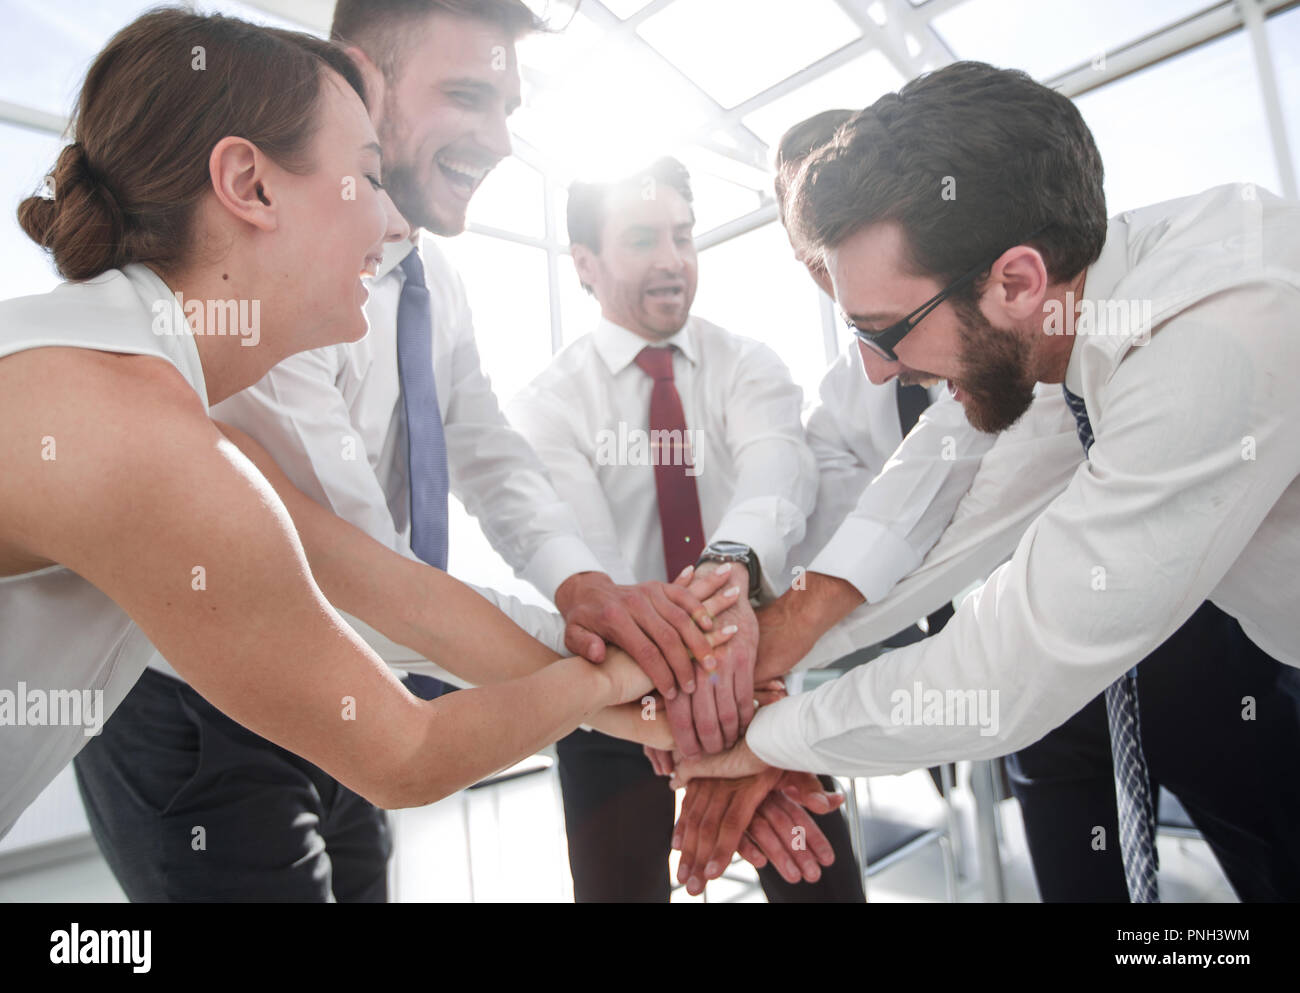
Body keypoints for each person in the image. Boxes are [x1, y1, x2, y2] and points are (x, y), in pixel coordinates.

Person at [0, 9, 745, 864]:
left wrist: (651, 680)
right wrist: (634, 678)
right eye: (366, 179)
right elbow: (406, 751)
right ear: (251, 184)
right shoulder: (149, 442)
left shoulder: (173, 411)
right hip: (205, 715)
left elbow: (389, 585)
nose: (388, 225)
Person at [673, 62, 1300, 903]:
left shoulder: (1209, 342)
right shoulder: (1079, 315)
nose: (875, 368)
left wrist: (757, 739)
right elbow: (955, 516)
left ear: (1013, 280)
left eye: (887, 331)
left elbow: (1008, 667)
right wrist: (761, 653)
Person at [507, 157, 862, 901]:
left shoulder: (748, 366)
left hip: (755, 681)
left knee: (822, 887)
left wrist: (732, 683)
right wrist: (697, 708)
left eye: (682, 235)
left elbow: (777, 477)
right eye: (642, 239)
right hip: (612, 698)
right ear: (585, 265)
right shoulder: (551, 404)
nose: (672, 260)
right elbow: (599, 573)